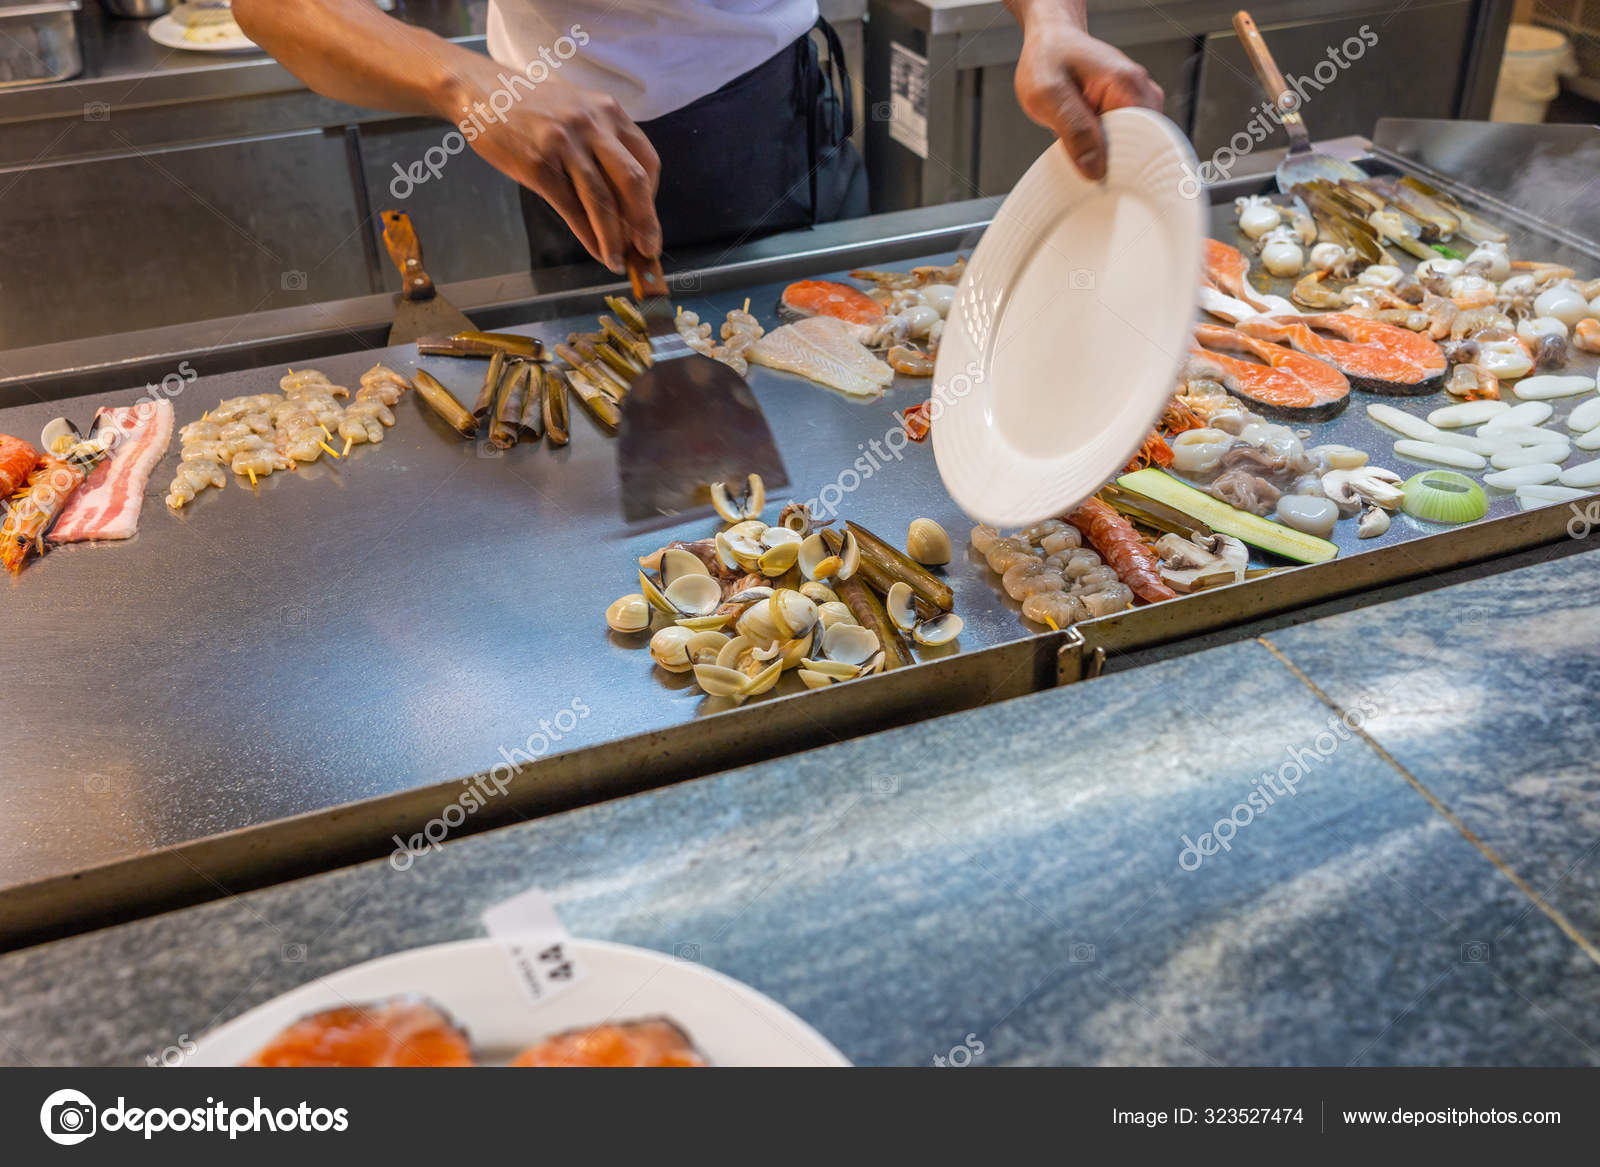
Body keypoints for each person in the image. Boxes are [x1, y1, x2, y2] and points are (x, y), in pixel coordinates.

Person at [234, 0, 1161, 273]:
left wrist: (1050, 20)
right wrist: (466, 80)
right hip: (577, 150)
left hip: (793, 110)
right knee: (639, 475)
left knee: (847, 405)